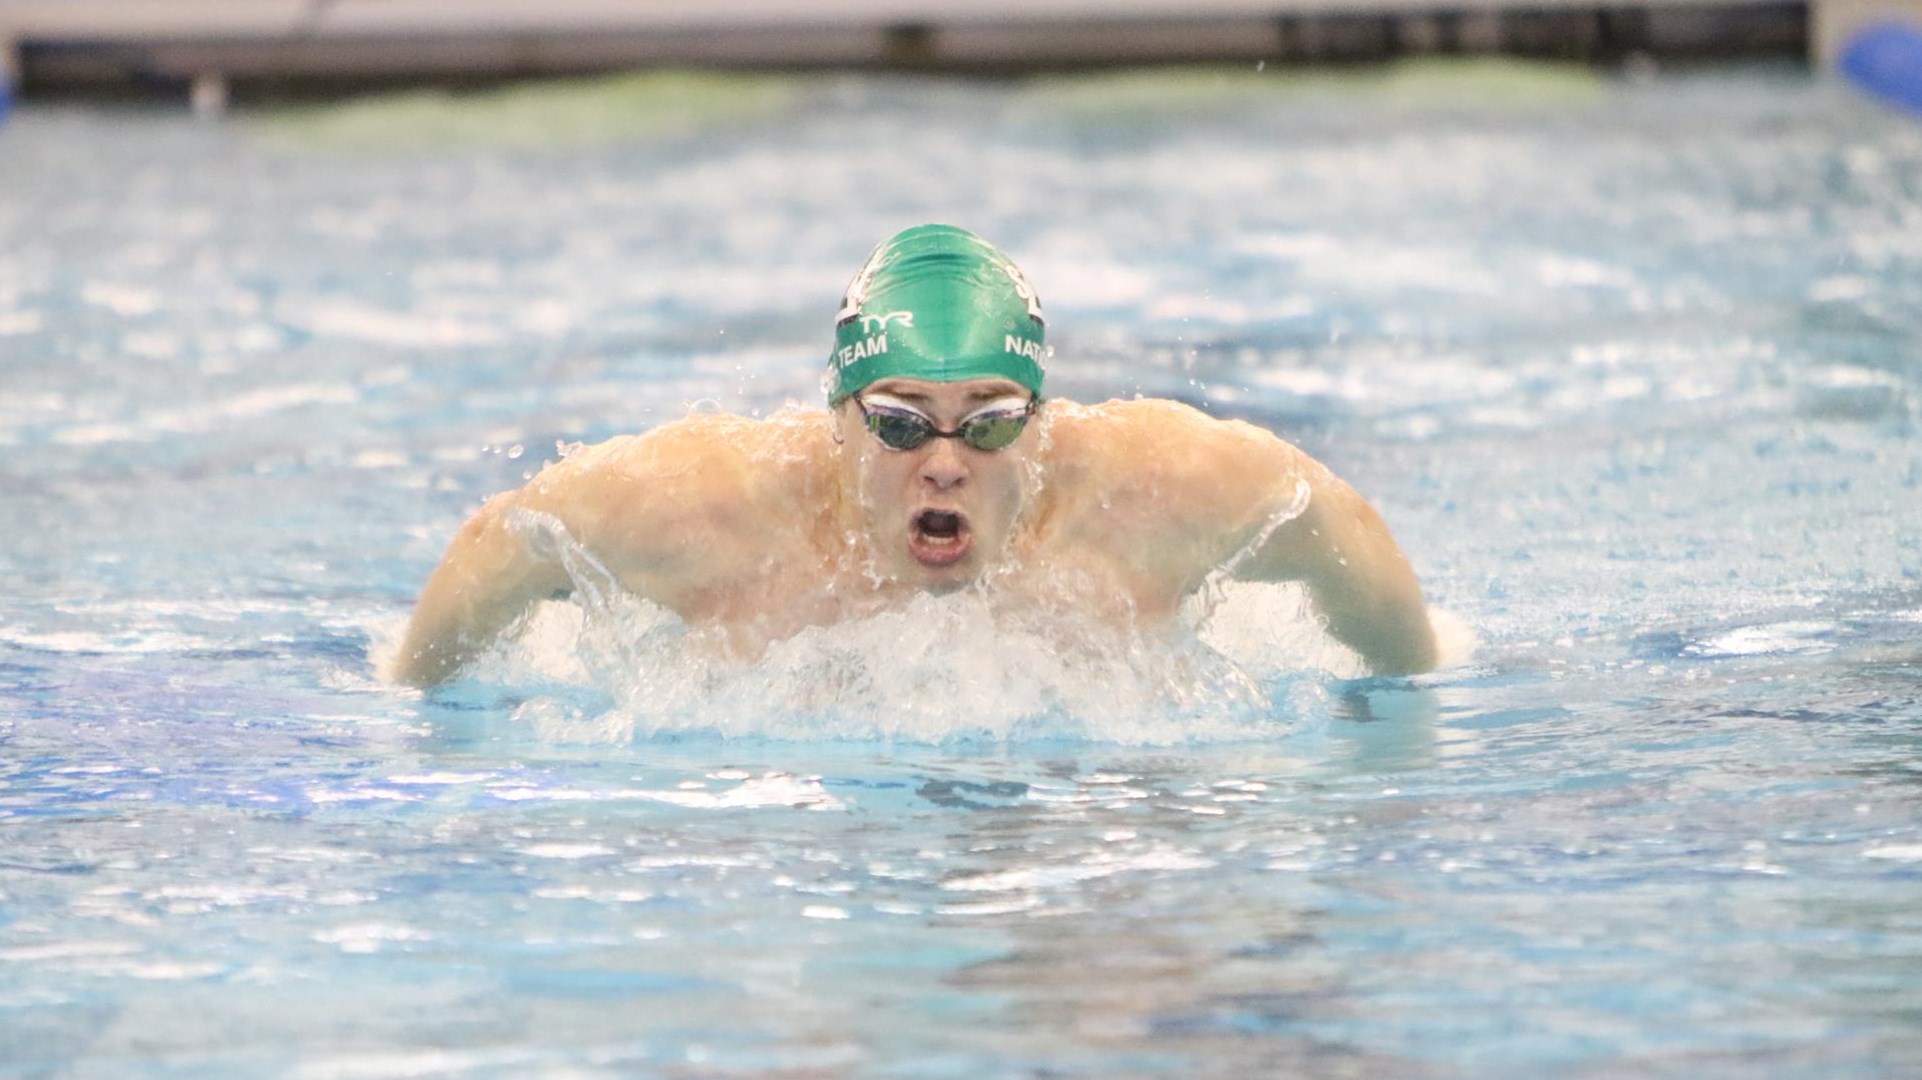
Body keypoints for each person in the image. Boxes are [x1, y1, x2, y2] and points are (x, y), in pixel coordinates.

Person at [388, 224, 1437, 688]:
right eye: (898, 421)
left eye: (985, 420)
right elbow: (507, 541)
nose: (943, 462)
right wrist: (407, 699)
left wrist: (1402, 702)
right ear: (835, 419)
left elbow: (1331, 523)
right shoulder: (712, 508)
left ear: (1041, 420)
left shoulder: (1150, 488)